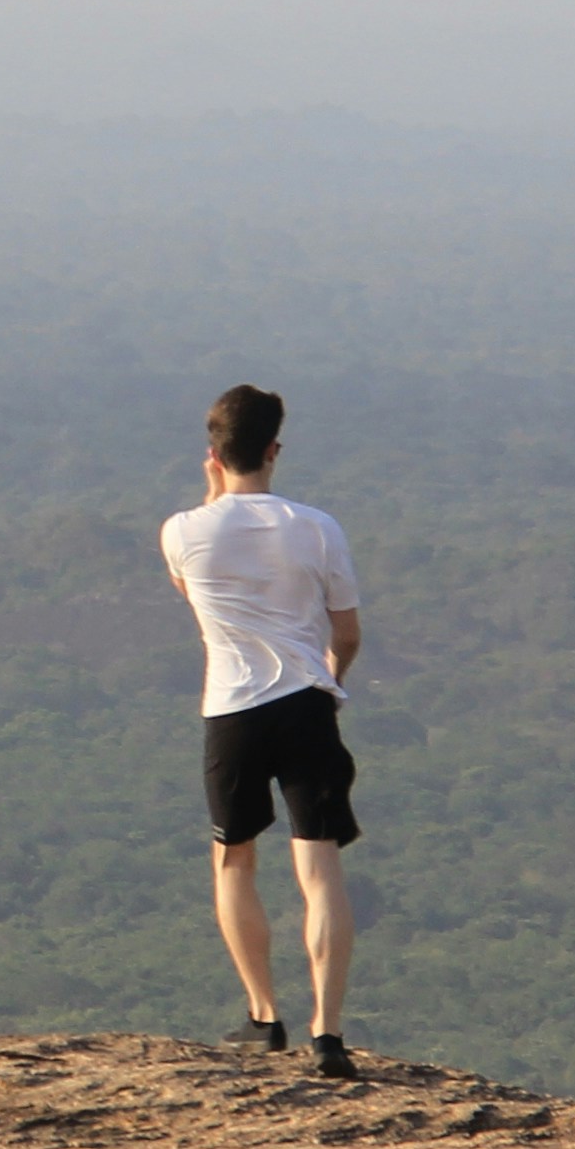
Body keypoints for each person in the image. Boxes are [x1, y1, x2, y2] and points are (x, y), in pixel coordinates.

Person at [162, 382, 366, 1079]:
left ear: (212, 455)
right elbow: (347, 631)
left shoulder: (182, 530)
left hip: (233, 710)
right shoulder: (317, 526)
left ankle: (263, 1017)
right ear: (275, 450)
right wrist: (328, 681)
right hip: (308, 703)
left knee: (234, 860)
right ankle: (328, 1036)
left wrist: (216, 495)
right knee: (320, 869)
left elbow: (197, 598)